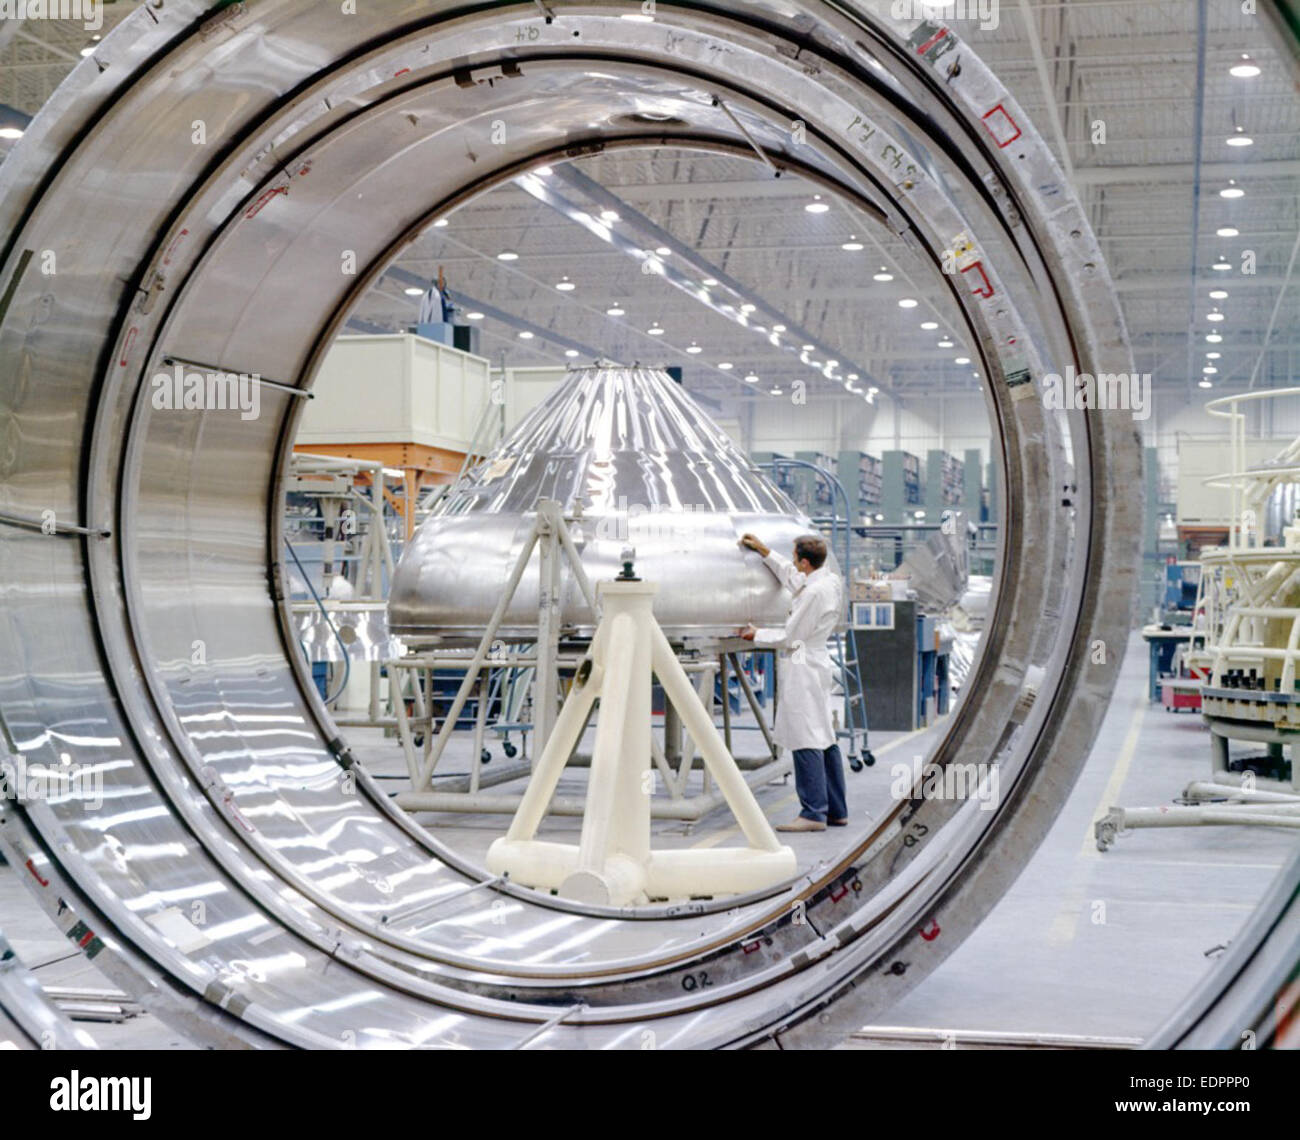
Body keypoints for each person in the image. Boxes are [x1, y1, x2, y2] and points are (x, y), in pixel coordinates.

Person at [739, 533, 847, 832]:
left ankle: (813, 813)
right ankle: (836, 809)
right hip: (816, 662)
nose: (794, 563)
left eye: (795, 557)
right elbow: (794, 579)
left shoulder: (814, 594)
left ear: (805, 561)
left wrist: (756, 634)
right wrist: (766, 551)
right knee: (824, 733)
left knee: (805, 734)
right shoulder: (828, 581)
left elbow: (791, 636)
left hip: (803, 663)